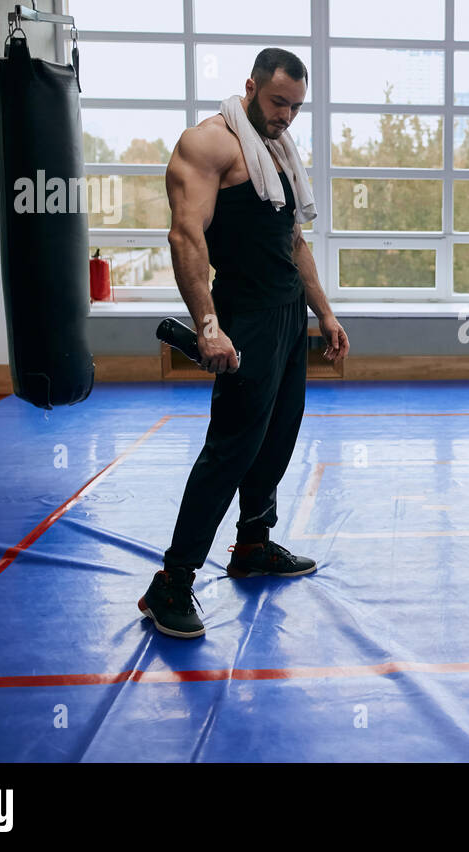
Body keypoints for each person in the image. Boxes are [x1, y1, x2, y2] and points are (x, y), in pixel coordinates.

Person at [138, 47, 349, 639]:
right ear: (250, 86)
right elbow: (186, 236)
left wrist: (324, 313)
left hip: (287, 315)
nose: (286, 116)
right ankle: (172, 582)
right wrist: (208, 325)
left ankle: (252, 543)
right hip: (244, 315)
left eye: (296, 106)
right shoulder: (208, 144)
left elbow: (293, 241)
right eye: (279, 101)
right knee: (230, 447)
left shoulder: (277, 152)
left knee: (278, 435)